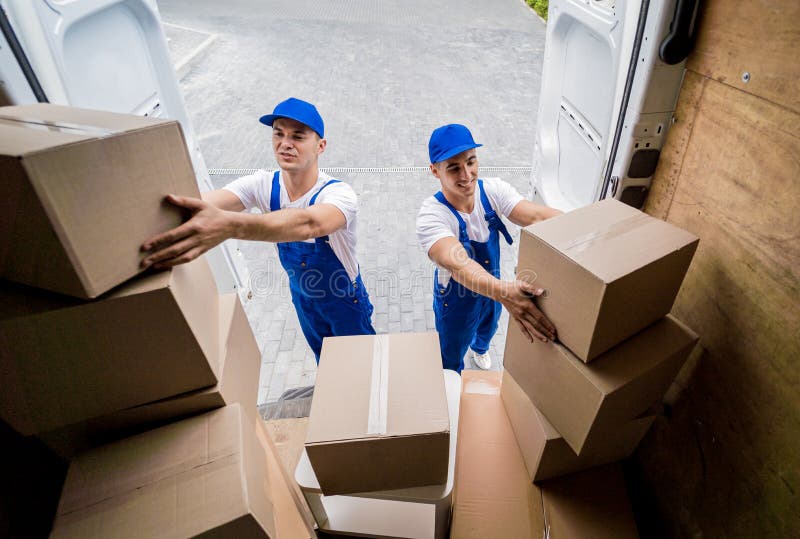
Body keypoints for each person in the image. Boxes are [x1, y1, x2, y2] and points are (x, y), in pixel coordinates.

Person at [141, 97, 375, 362]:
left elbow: (310, 224)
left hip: (344, 302)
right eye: (278, 134)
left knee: (362, 367)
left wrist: (229, 226)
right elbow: (202, 203)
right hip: (304, 300)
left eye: (298, 136)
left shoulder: (337, 194)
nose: (285, 144)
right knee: (328, 363)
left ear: (321, 146)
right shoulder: (262, 184)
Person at [416, 123, 562, 372]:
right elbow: (458, 264)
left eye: (471, 162)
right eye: (453, 168)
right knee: (452, 347)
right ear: (434, 171)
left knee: (490, 324)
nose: (466, 175)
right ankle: (452, 375)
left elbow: (537, 216)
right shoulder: (432, 216)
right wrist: (504, 292)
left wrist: (586, 226)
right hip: (457, 299)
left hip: (493, 287)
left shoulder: (493, 190)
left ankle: (480, 349)